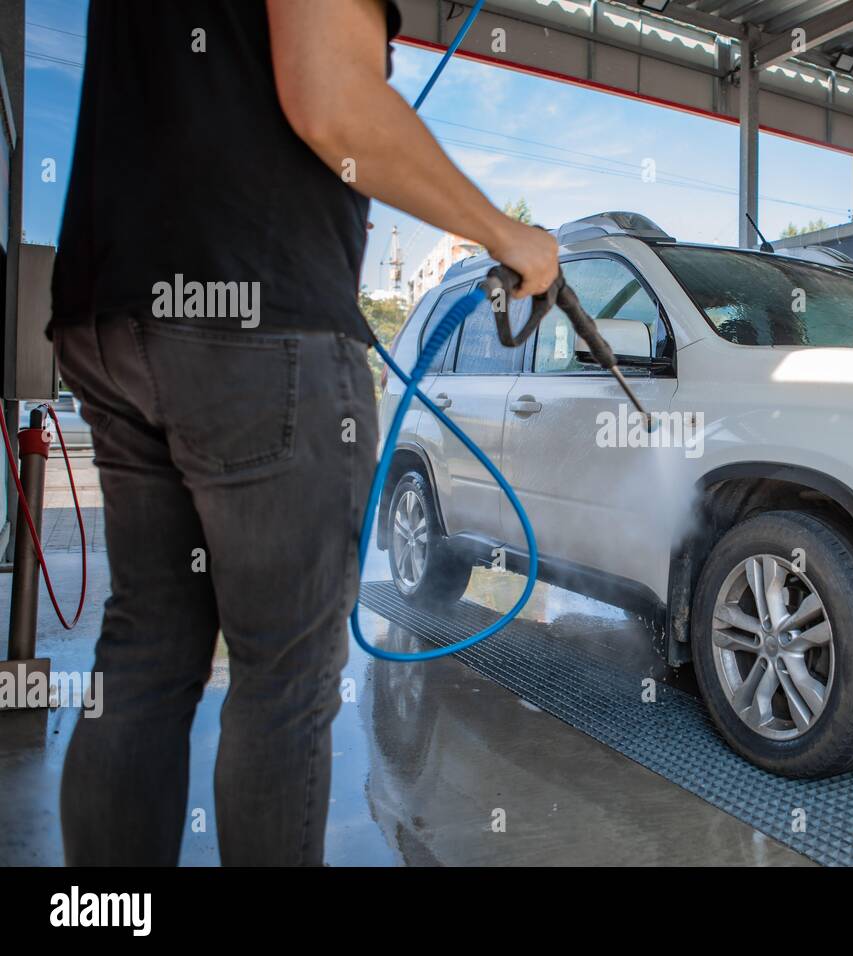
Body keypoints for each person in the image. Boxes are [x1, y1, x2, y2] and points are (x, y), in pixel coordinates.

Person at [50, 0, 557, 866]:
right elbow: (333, 102)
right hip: (258, 319)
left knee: (145, 656)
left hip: (114, 308)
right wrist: (510, 236)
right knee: (282, 680)